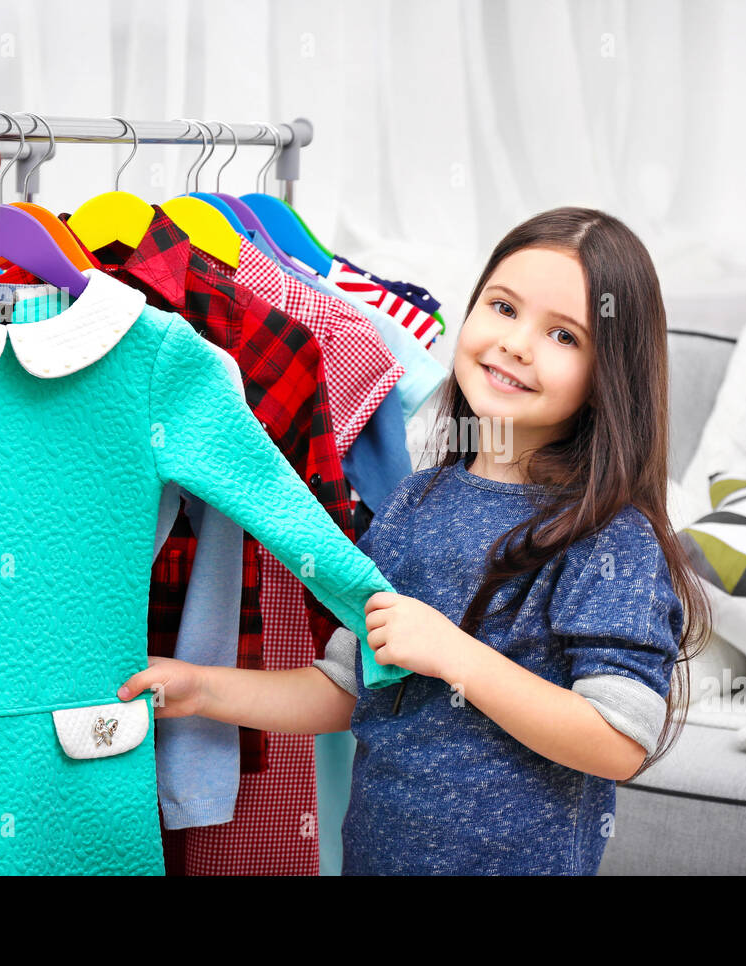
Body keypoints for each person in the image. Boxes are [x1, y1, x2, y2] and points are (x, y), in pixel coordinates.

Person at [117, 206, 711, 874]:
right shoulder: (414, 502)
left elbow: (618, 739)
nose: (516, 343)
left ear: (610, 376)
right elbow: (347, 687)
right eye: (504, 307)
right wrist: (202, 690)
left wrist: (453, 655)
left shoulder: (609, 538)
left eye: (563, 336)